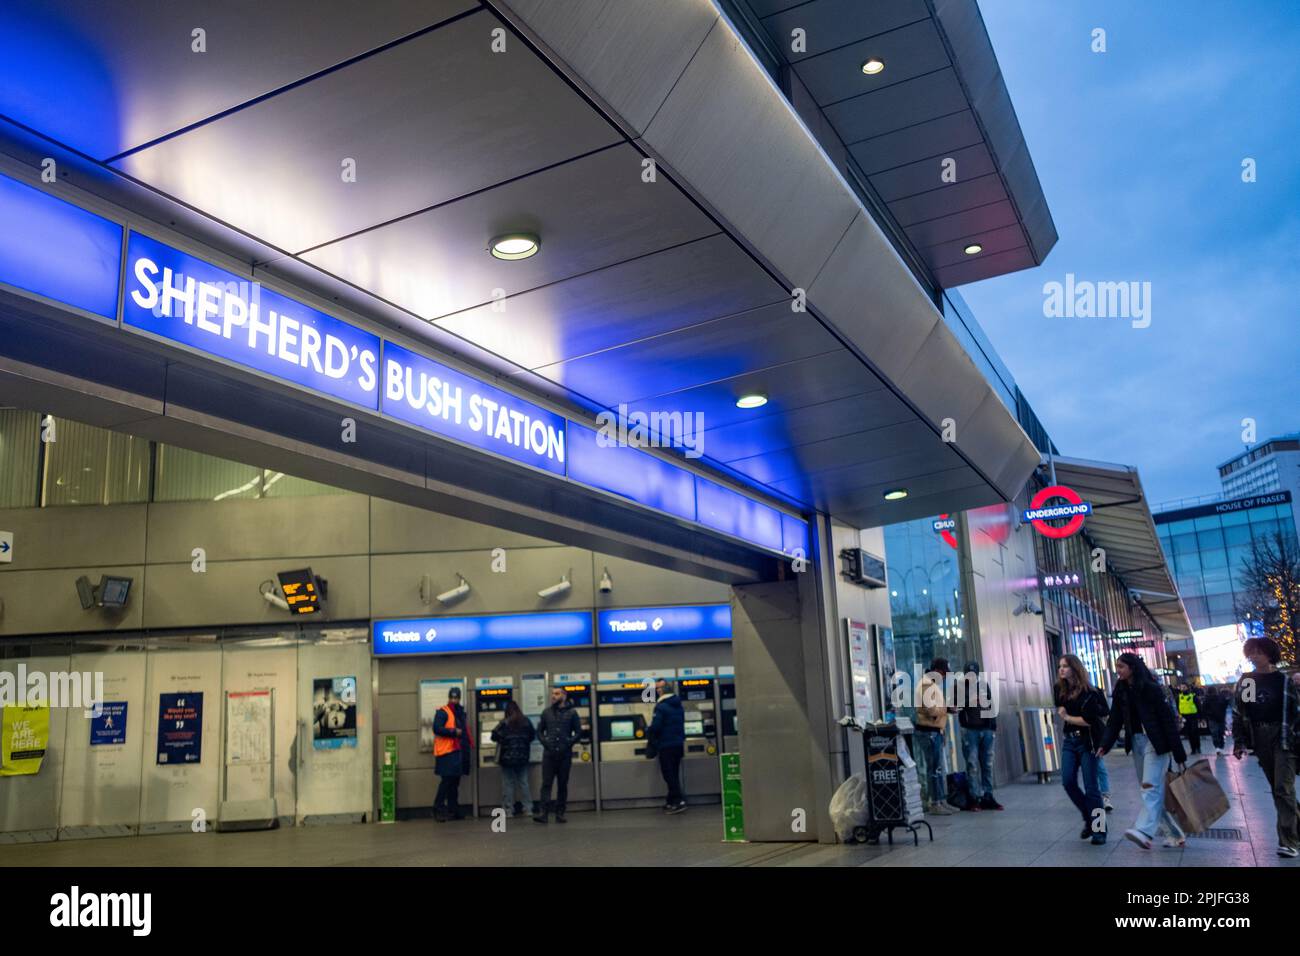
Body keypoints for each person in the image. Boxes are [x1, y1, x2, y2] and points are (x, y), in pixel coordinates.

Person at [1098, 653, 1187, 850]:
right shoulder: (1121, 689)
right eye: (1117, 667)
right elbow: (1115, 720)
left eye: (1121, 666)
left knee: (1150, 788)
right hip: (1137, 742)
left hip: (1156, 744)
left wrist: (1179, 753)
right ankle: (1174, 833)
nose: (1117, 670)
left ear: (1132, 667)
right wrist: (1105, 744)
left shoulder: (1151, 689)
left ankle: (1144, 831)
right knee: (1151, 789)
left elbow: (1167, 721)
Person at [1232, 637, 1299, 859]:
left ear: (1269, 654)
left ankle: (1289, 840)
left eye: (1257, 652)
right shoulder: (1249, 681)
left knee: (1283, 788)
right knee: (1279, 789)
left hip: (1283, 737)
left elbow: (1295, 712)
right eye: (1250, 652)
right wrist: (1240, 741)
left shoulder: (1283, 680)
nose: (1253, 656)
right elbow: (1241, 713)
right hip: (1260, 738)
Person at [1054, 655, 1109, 845]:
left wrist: (1068, 717)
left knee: (1091, 786)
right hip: (1069, 742)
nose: (1061, 670)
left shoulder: (1089, 692)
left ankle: (1099, 829)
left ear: (1075, 669)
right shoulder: (1059, 690)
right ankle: (1089, 817)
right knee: (1068, 781)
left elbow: (1088, 720)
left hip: (1088, 742)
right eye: (1060, 666)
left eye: (1065, 666)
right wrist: (1067, 716)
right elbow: (1060, 708)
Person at [957, 661, 1003, 811]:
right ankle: (974, 798)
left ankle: (988, 796)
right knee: (972, 765)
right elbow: (954, 706)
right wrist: (969, 701)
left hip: (986, 729)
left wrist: (993, 726)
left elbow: (991, 705)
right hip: (970, 731)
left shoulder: (983, 685)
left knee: (987, 764)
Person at [534, 686, 581, 823]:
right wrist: (546, 743)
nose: (553, 696)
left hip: (564, 755)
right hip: (549, 754)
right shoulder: (546, 712)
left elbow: (578, 732)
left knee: (562, 784)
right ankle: (543, 813)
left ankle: (560, 813)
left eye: (556, 694)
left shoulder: (572, 713)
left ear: (564, 696)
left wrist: (568, 743)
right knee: (546, 784)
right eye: (553, 694)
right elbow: (539, 732)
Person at [915, 658, 955, 815]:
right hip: (928, 732)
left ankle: (940, 800)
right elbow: (931, 711)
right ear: (938, 671)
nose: (944, 677)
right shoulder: (926, 685)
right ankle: (935, 803)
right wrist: (947, 709)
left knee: (937, 769)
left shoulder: (931, 685)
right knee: (933, 769)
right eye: (944, 674)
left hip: (934, 731)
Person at [432, 687, 473, 822]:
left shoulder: (460, 713)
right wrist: (453, 732)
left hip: (457, 752)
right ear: (449, 698)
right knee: (447, 782)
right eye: (452, 698)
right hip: (446, 753)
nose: (454, 700)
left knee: (454, 782)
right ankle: (438, 808)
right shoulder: (443, 712)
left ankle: (453, 809)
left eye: (456, 698)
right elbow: (437, 728)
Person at [491, 700, 535, 818]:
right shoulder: (526, 721)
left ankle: (508, 810)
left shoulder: (504, 723)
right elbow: (532, 736)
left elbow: (493, 736)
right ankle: (528, 809)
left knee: (508, 784)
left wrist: (502, 739)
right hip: (522, 758)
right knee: (524, 783)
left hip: (507, 759)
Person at [649, 677, 687, 813]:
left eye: (658, 688)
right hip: (678, 744)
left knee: (668, 775)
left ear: (664, 690)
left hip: (666, 745)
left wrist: (648, 730)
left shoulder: (661, 706)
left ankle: (679, 801)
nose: (657, 691)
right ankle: (671, 801)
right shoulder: (678, 705)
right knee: (674, 774)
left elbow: (656, 726)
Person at [1201, 686, 1230, 755]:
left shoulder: (1206, 699)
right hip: (1221, 718)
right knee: (1221, 732)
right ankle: (1221, 746)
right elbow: (1225, 706)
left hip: (1212, 718)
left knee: (1215, 733)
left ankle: (1217, 748)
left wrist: (1208, 715)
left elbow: (1204, 709)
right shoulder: (1221, 697)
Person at [1176, 682, 1203, 755]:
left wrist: (1200, 716)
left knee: (1195, 732)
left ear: (1187, 687)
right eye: (1181, 687)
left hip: (1193, 716)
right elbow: (1177, 707)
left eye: (1184, 687)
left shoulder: (1193, 696)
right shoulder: (1179, 697)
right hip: (1185, 717)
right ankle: (1193, 749)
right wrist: (1179, 716)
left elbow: (1199, 706)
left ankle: (1198, 747)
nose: (1182, 689)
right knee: (1189, 734)